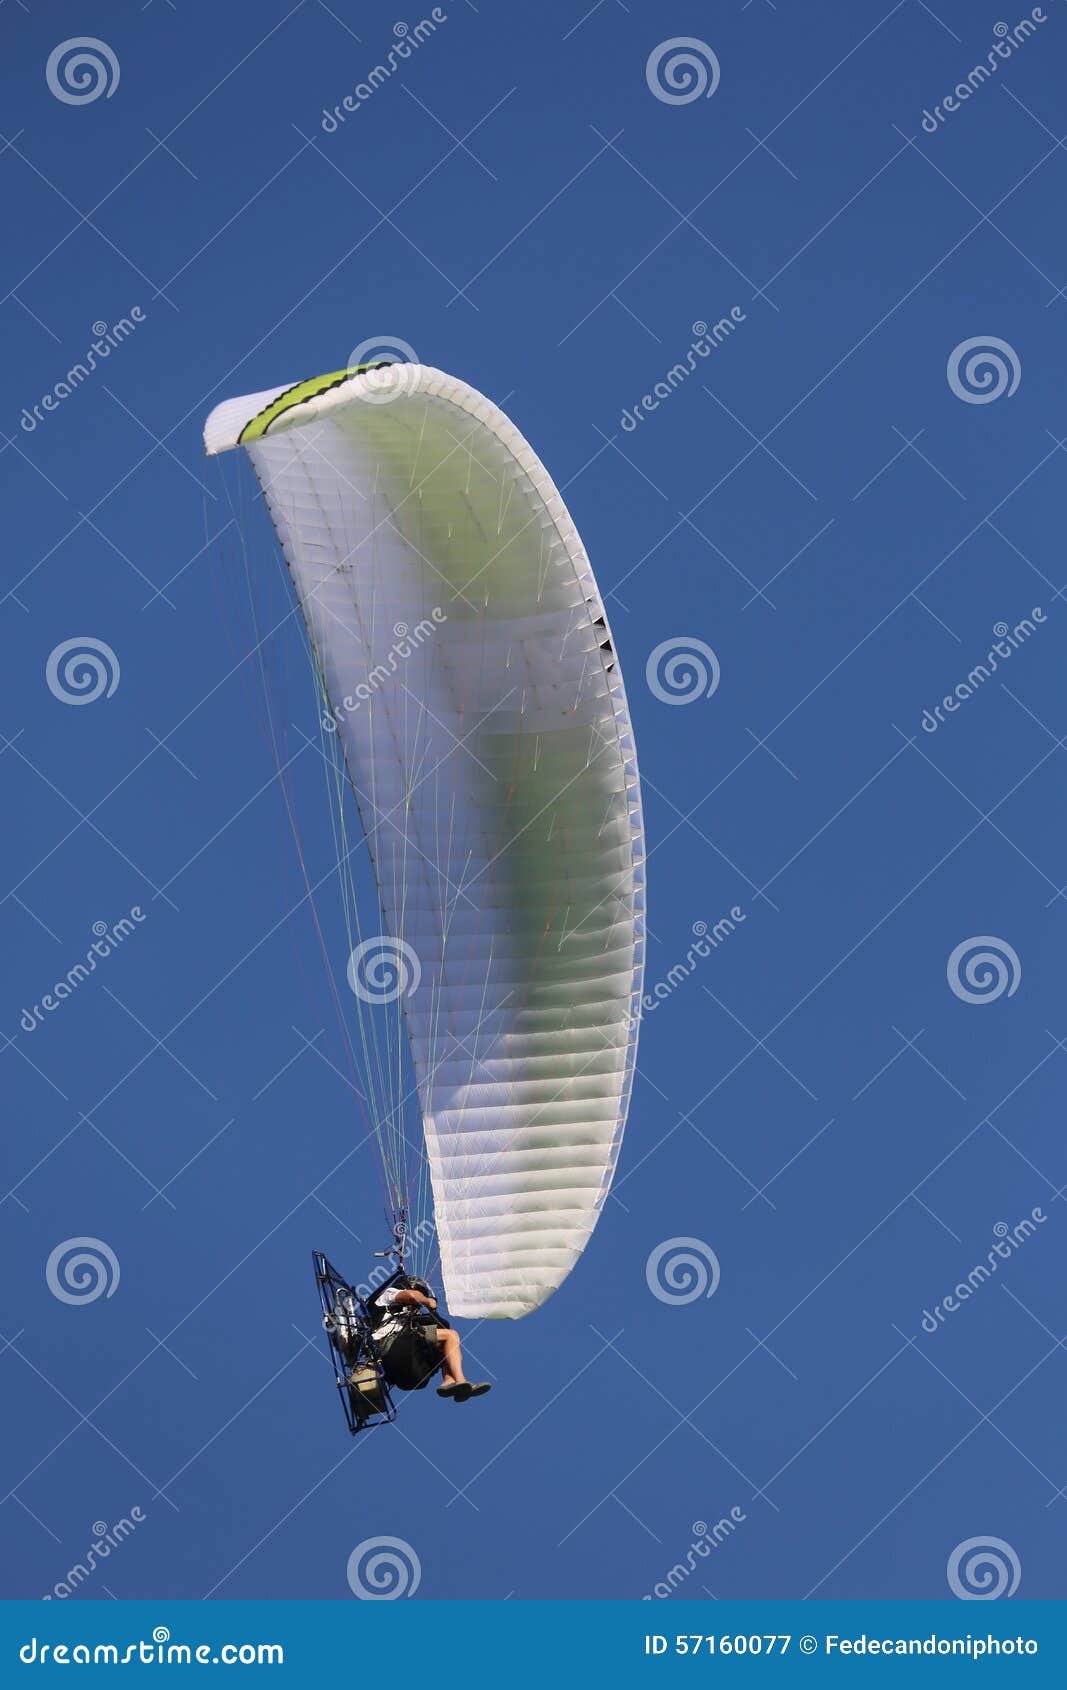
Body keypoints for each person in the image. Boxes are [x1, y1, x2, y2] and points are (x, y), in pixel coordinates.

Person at [369, 1274, 492, 1402]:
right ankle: (461, 1380)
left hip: (410, 1375)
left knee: (443, 1337)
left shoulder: (410, 1316)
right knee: (451, 1335)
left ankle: (449, 1382)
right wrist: (428, 1301)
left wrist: (432, 1313)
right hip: (390, 1347)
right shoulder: (389, 1294)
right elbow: (411, 1296)